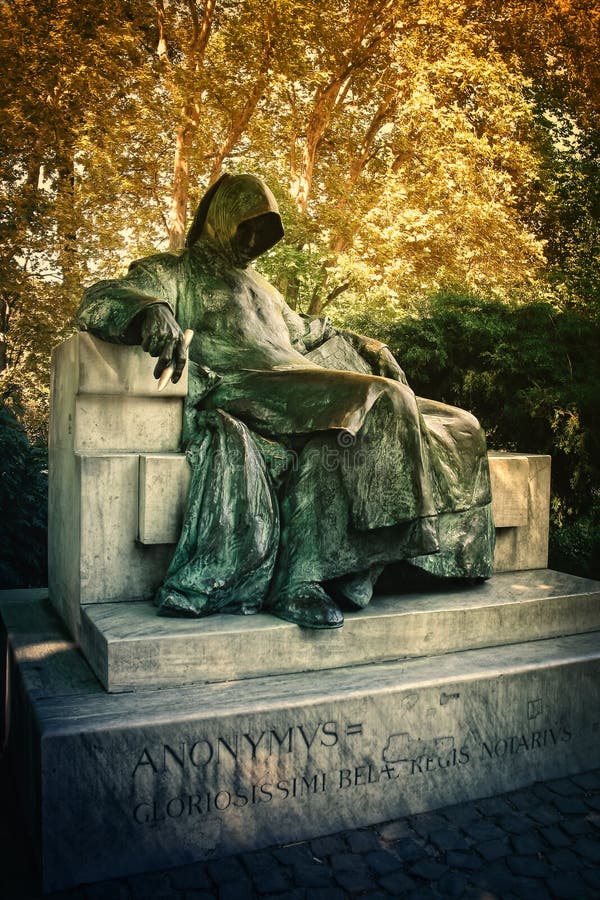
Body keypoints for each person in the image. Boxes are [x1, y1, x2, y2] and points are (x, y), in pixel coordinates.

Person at [77, 173, 495, 629]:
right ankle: (314, 573)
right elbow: (100, 297)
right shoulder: (177, 270)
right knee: (384, 398)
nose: (255, 239)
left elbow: (310, 332)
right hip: (243, 385)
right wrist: (149, 310)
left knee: (460, 424)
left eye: (265, 229)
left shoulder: (267, 290)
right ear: (221, 220)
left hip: (302, 382)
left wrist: (367, 344)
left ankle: (421, 561)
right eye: (247, 225)